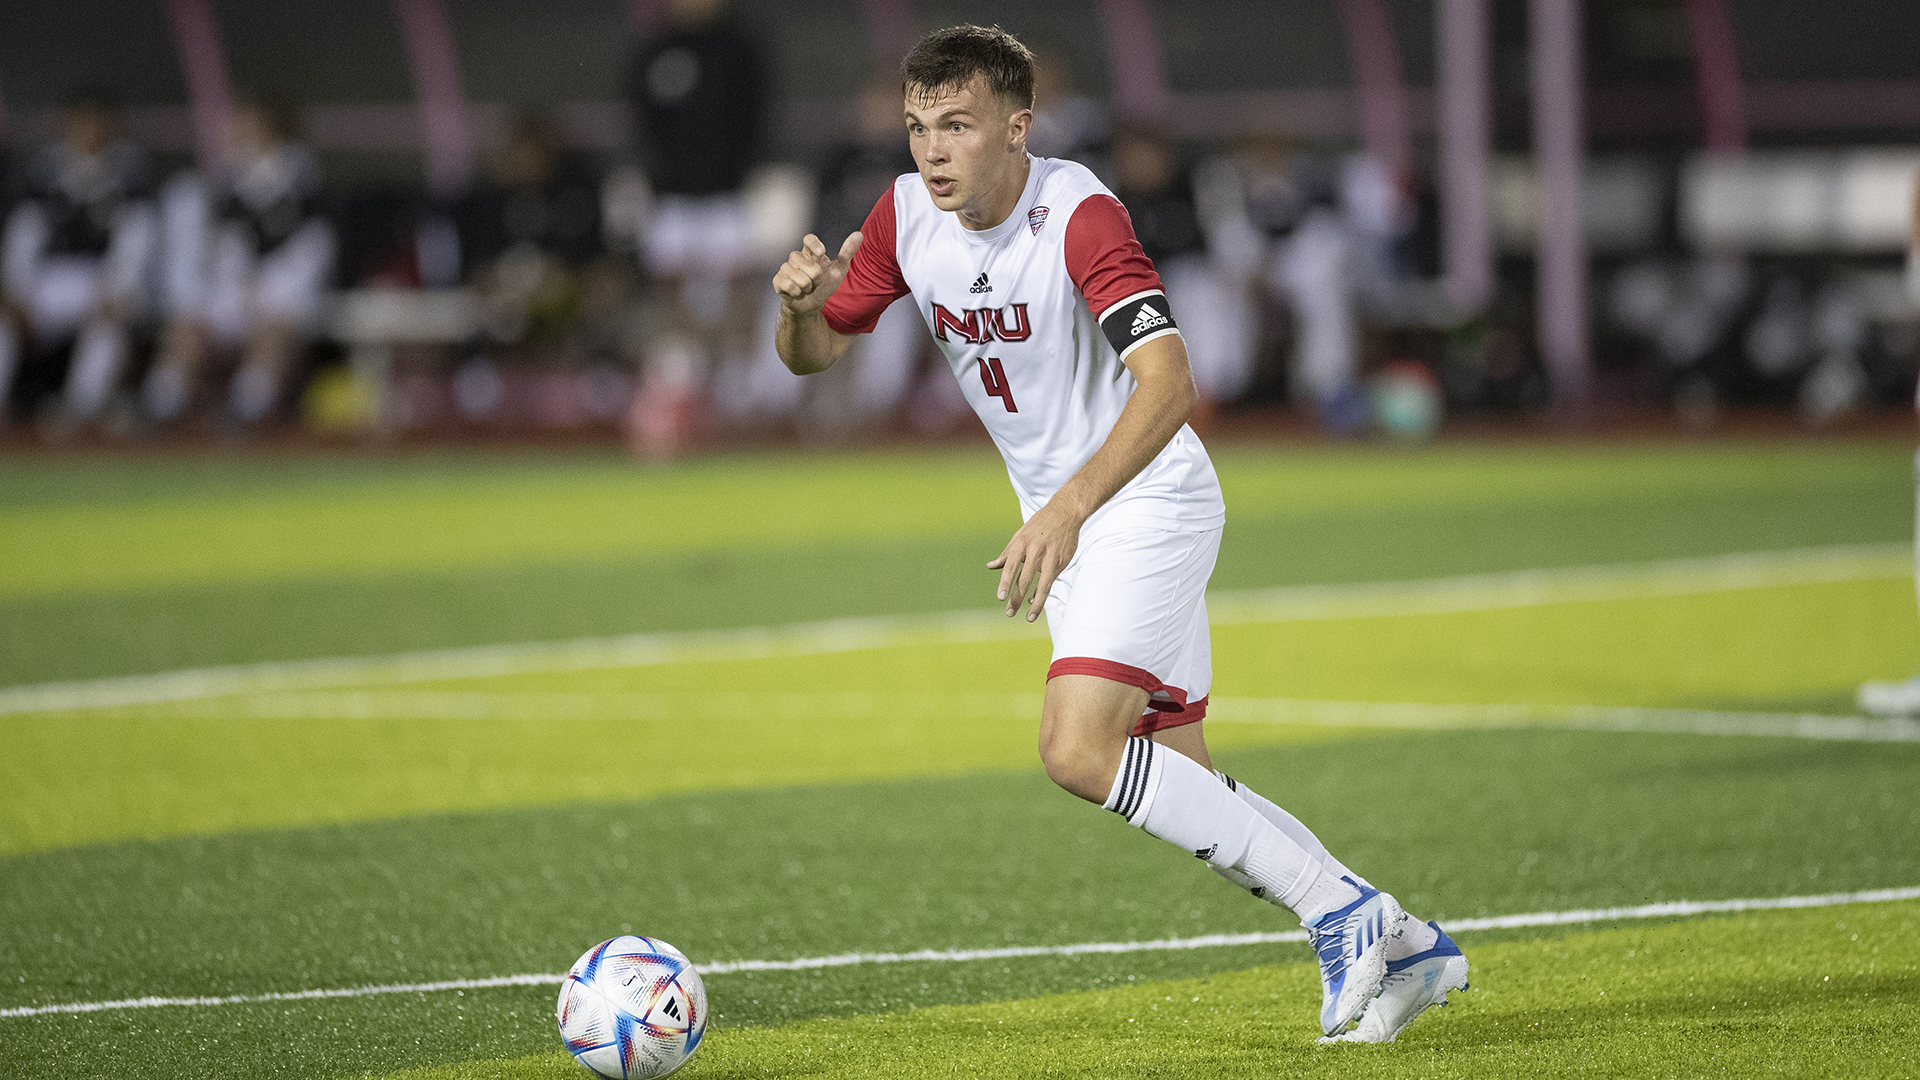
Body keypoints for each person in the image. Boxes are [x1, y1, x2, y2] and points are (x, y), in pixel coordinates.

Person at [770, 25, 1468, 1044]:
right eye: (919, 127)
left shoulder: (1077, 214)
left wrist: (1064, 508)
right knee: (1178, 777)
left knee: (1075, 748)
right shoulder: (904, 216)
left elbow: (1172, 384)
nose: (931, 149)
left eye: (956, 126)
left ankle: (1342, 914)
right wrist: (798, 310)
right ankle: (1405, 942)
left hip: (1142, 500)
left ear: (1017, 129)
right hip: (1077, 518)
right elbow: (816, 354)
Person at [144, 96, 334, 430]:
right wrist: (211, 298)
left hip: (281, 298)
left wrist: (268, 297)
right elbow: (217, 256)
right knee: (185, 328)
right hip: (231, 296)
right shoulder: (223, 188)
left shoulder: (305, 190)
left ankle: (247, 413)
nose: (234, 137)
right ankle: (161, 412)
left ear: (271, 133)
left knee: (273, 332)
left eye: (246, 129)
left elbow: (311, 258)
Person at [0, 89, 158, 430]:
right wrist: (15, 289)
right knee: (4, 320)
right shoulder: (45, 170)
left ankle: (79, 411)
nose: (86, 130)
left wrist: (118, 289)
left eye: (94, 122)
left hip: (101, 276)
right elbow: (24, 235)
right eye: (79, 122)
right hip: (52, 277)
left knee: (108, 325)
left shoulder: (129, 172)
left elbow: (137, 239)